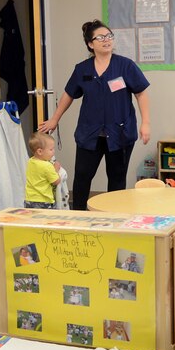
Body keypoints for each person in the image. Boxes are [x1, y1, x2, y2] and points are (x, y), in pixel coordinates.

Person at [38, 20, 151, 210]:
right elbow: (69, 94)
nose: (106, 40)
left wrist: (145, 122)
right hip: (90, 133)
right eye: (100, 37)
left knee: (116, 179)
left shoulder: (125, 66)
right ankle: (79, 217)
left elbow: (141, 93)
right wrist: (55, 119)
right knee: (82, 177)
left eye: (109, 36)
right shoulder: (82, 69)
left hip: (120, 133)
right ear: (90, 44)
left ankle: (114, 218)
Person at [24, 132, 62, 208]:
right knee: (47, 219)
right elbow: (56, 181)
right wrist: (56, 169)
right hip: (44, 201)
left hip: (29, 199)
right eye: (51, 149)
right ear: (40, 151)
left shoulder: (30, 161)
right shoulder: (47, 166)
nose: (53, 151)